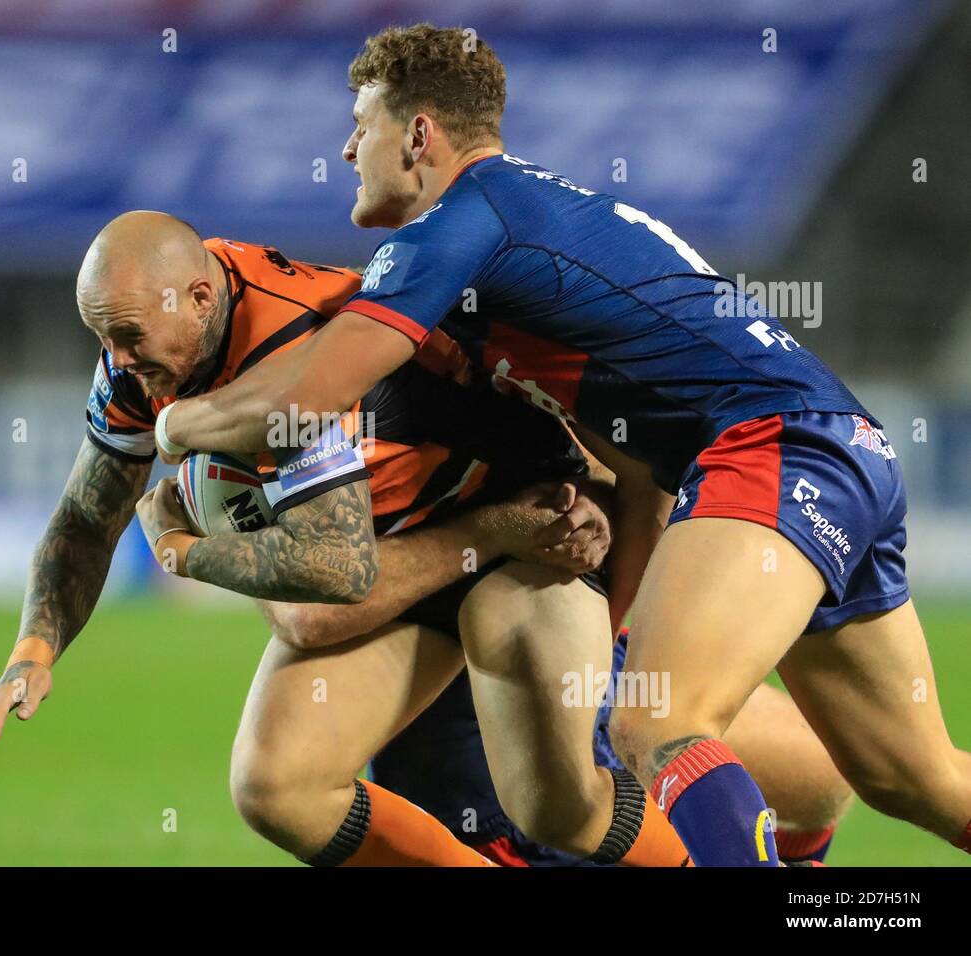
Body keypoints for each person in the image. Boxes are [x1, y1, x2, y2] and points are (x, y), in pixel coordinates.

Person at [151, 24, 971, 865]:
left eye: (363, 124)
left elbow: (312, 391)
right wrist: (622, 619)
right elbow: (640, 467)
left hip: (773, 450)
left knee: (659, 721)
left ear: (420, 136)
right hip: (837, 449)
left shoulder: (457, 230)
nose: (348, 146)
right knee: (915, 779)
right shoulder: (537, 221)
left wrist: (170, 426)